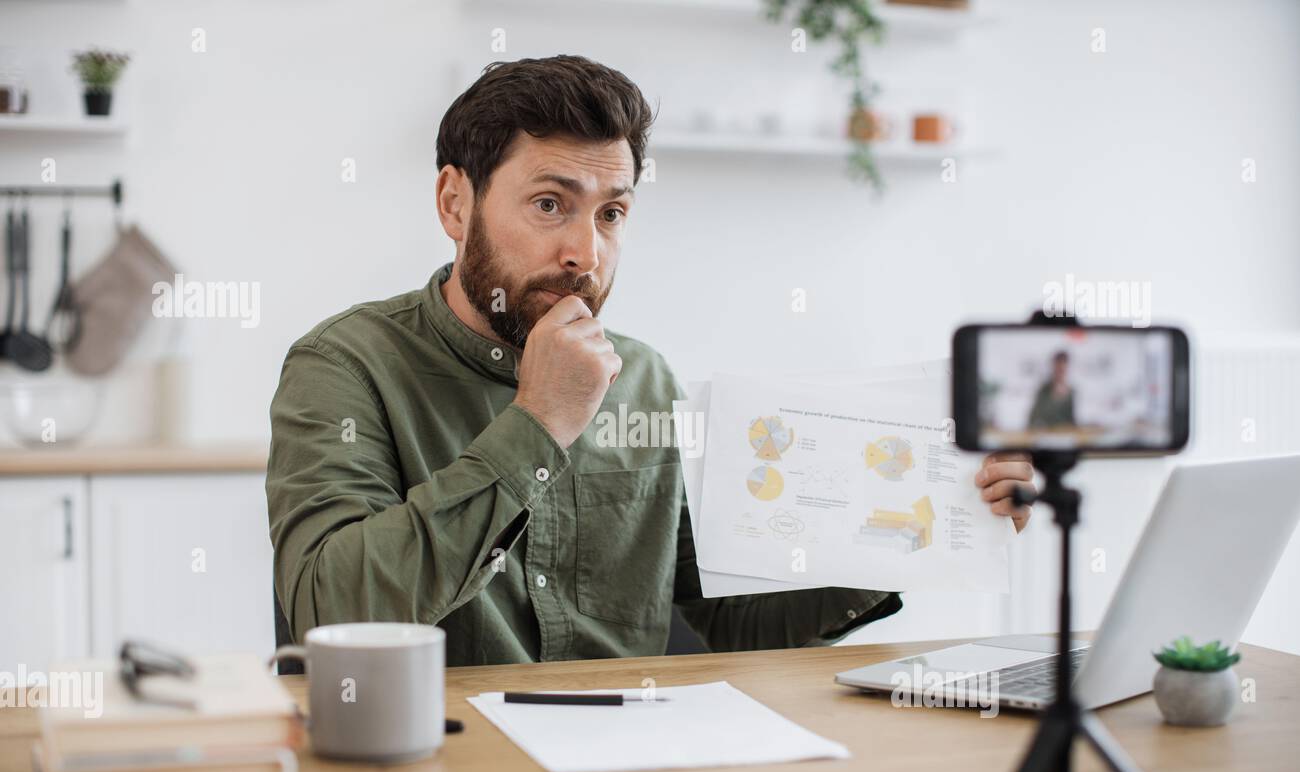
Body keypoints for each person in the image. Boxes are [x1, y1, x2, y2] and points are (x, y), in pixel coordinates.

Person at [265, 55, 1035, 665]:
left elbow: (730, 614)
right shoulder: (344, 365)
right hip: (432, 763)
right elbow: (334, 610)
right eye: (549, 205)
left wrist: (931, 522)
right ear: (454, 203)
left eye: (612, 213)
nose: (584, 253)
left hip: (624, 762)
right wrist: (538, 423)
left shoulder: (646, 381)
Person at [1028, 351, 1077, 430]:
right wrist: (1054, 396)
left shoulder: (1071, 391)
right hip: (1046, 435)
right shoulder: (1044, 389)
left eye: (1063, 368)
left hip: (1065, 436)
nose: (1061, 371)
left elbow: (1072, 420)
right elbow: (1035, 418)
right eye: (1058, 367)